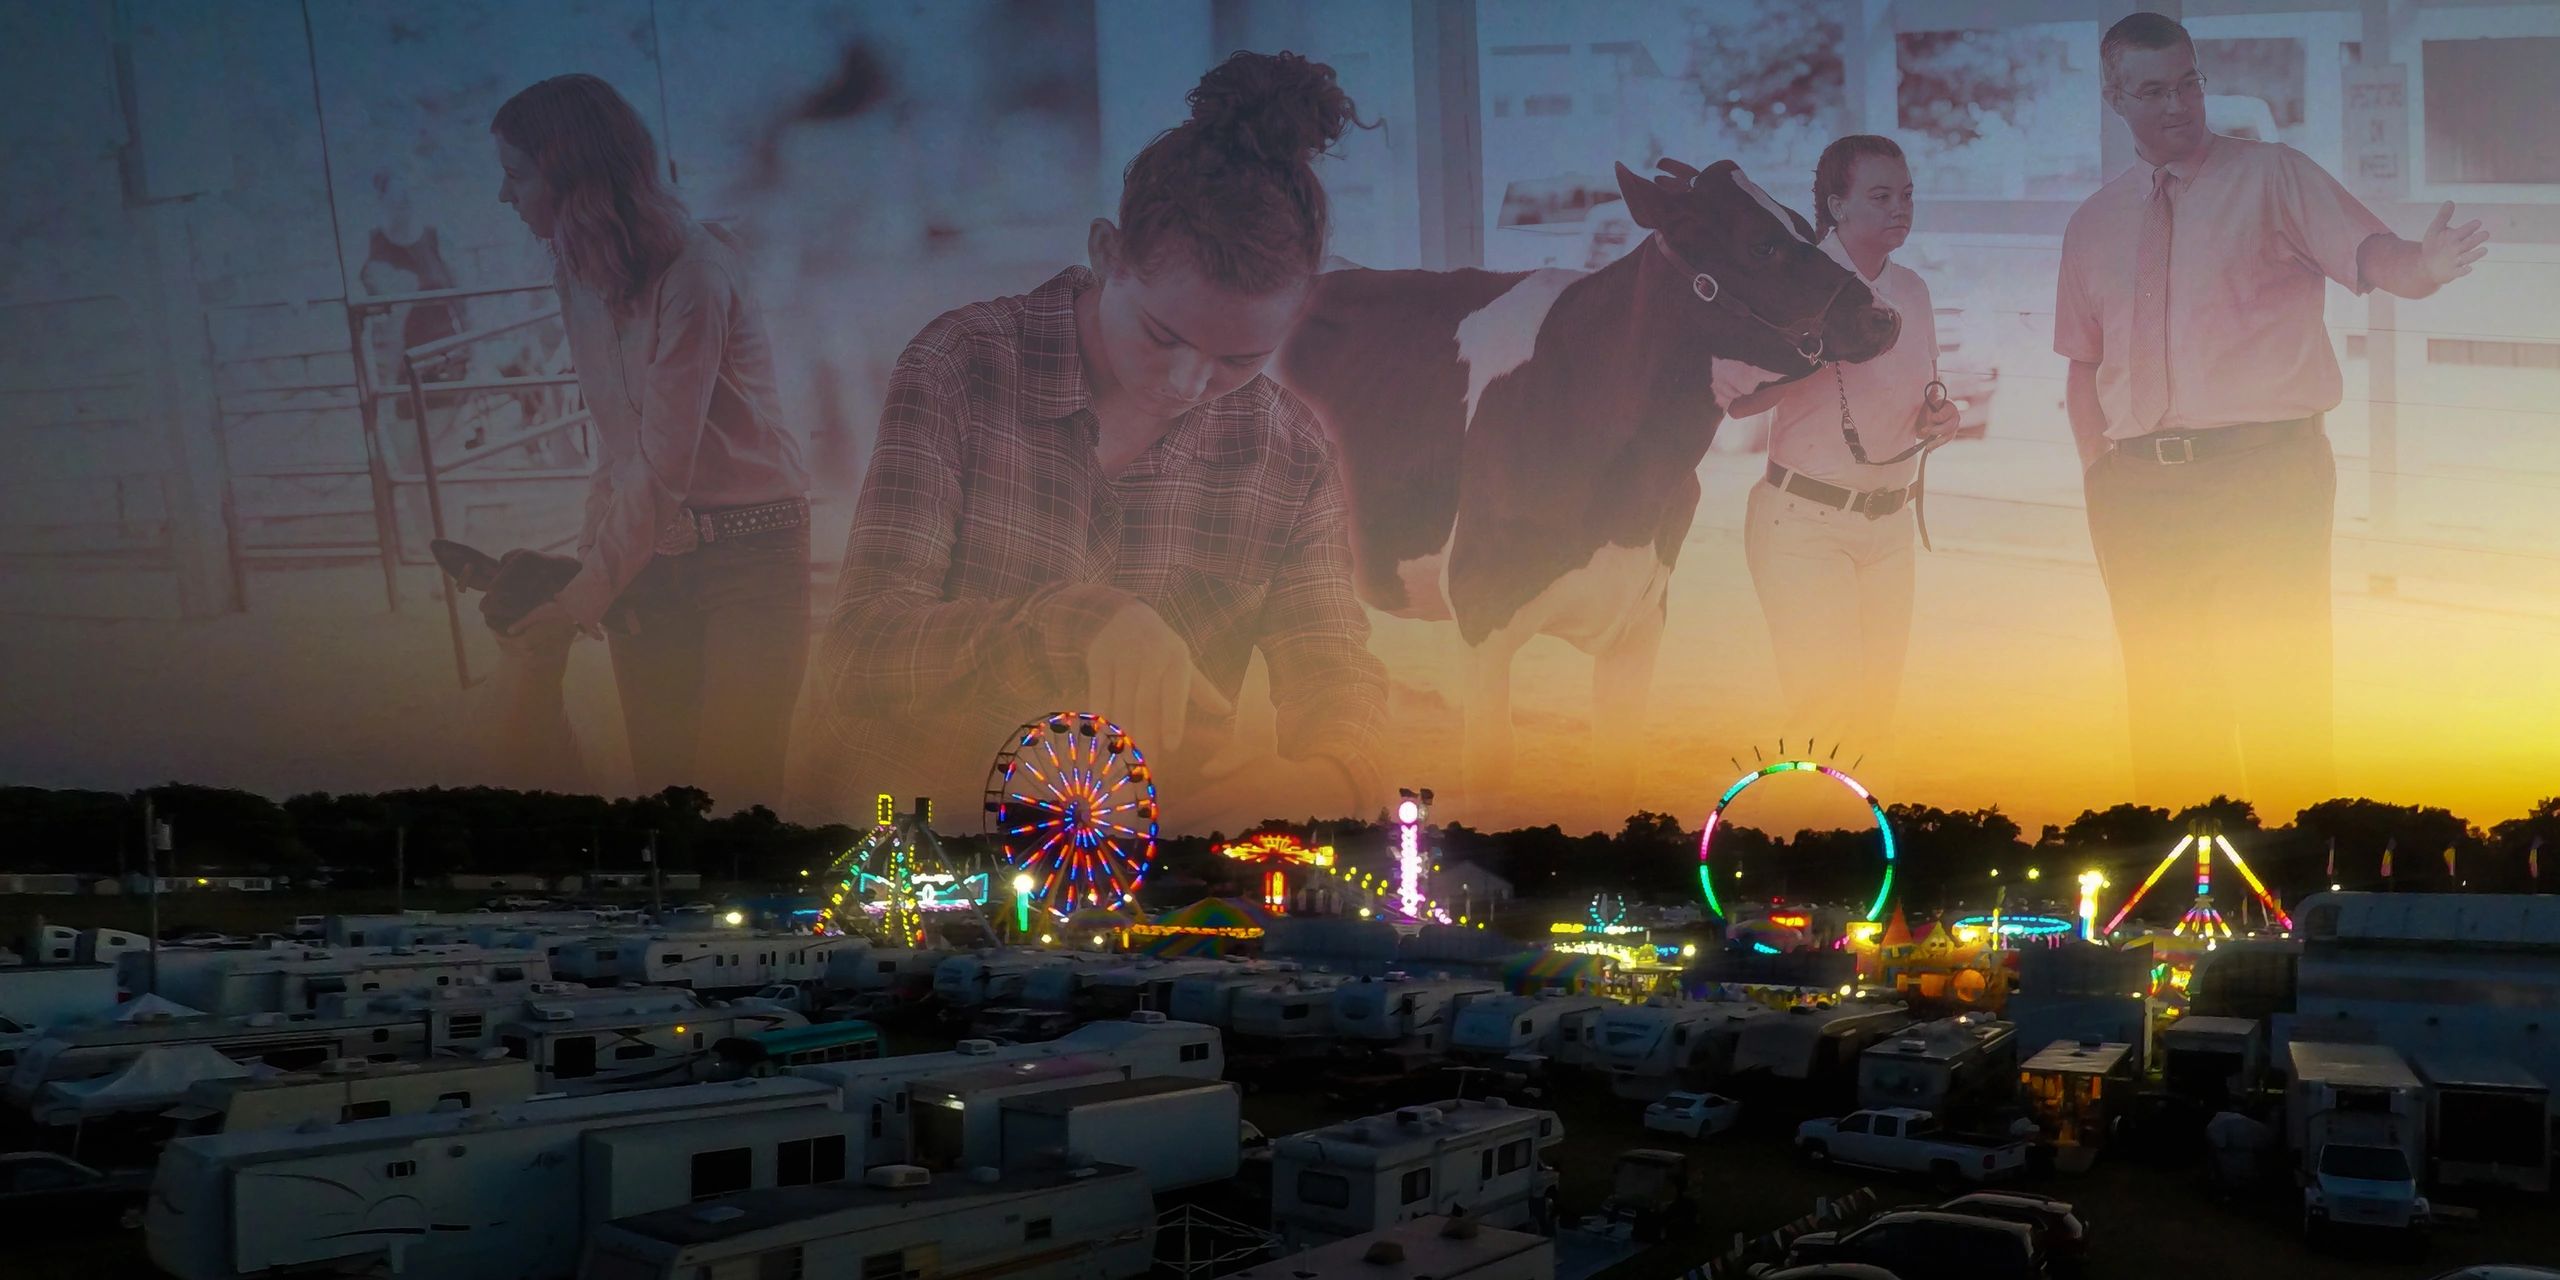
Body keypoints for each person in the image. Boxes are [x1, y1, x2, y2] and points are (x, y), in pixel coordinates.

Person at [813, 51, 1388, 830]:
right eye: (1163, 336)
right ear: (1107, 254)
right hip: (932, 844)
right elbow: (860, 658)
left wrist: (1326, 782)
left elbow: (1336, 676)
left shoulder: (1287, 452)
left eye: (1239, 359)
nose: (1191, 382)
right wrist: (1071, 623)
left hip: (1144, 871)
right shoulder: (964, 365)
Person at [2057, 14, 2486, 807]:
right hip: (2137, 494)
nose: (2179, 103)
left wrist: (2423, 267)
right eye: (2153, 89)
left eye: (2188, 82)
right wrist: (2099, 475)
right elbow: (2083, 364)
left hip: (2267, 479)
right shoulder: (2092, 223)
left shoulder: (2276, 177)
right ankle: (2177, 898)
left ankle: (2298, 898)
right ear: (2115, 96)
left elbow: (2376, 256)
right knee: (2164, 707)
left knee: (2279, 697)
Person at [492, 74, 814, 813]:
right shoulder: (576, 270)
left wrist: (584, 595)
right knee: (666, 799)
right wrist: (593, 562)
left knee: (737, 799)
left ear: (571, 175)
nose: (505, 197)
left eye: (515, 175)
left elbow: (664, 463)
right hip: (653, 557)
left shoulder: (694, 270)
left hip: (751, 556)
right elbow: (618, 447)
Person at [1726, 136, 1959, 751]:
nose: (1899, 209)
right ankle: (1807, 839)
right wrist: (1794, 357)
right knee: (1823, 720)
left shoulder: (1913, 289)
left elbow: (1923, 398)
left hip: (1890, 528)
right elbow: (1739, 399)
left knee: (1874, 722)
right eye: (1880, 196)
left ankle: (1864, 845)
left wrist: (1942, 417)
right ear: (1837, 204)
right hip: (1805, 524)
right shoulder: (1791, 282)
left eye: (1906, 195)